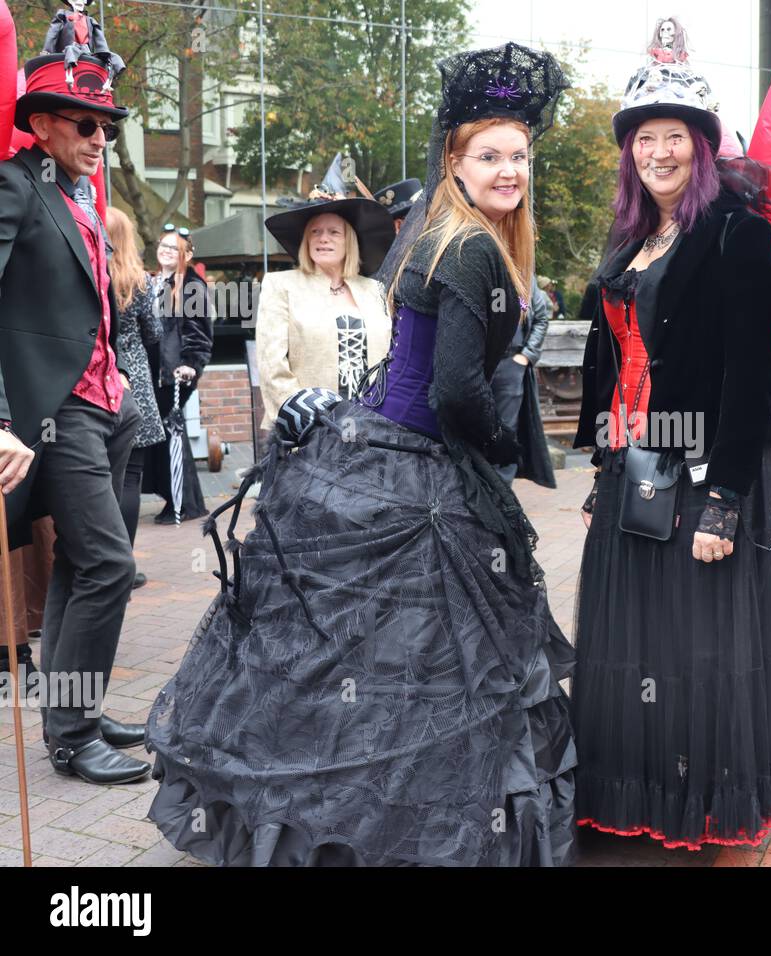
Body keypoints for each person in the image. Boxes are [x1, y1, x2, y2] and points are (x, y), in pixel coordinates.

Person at [145, 42, 576, 867]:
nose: (509, 170)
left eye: (519, 155)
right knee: (416, 659)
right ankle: (395, 831)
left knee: (360, 656)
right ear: (455, 162)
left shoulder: (440, 236)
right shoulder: (472, 248)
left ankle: (321, 824)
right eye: (489, 155)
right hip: (419, 467)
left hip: (378, 452)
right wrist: (498, 444)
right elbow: (455, 391)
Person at [570, 42, 771, 849]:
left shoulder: (738, 235)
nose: (659, 152)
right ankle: (634, 798)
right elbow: (610, 362)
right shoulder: (632, 236)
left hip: (702, 474)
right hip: (631, 466)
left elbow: (752, 376)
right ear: (629, 152)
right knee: (632, 640)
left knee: (695, 646)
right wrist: (602, 461)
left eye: (675, 137)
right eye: (645, 138)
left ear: (702, 147)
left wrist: (726, 501)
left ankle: (698, 803)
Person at [0, 53, 149, 785]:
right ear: (40, 124)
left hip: (107, 404)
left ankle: (73, 711)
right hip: (56, 410)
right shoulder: (14, 184)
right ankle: (73, 736)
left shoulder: (81, 194)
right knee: (111, 566)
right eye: (85, 125)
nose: (100, 139)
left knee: (80, 565)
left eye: (108, 129)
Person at [256, 197, 394, 430]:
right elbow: (272, 365)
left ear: (349, 241)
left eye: (334, 232)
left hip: (373, 424)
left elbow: (392, 357)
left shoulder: (375, 289)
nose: (323, 238)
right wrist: (305, 419)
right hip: (309, 428)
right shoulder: (280, 285)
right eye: (315, 232)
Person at [105, 207, 165, 587]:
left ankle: (105, 565)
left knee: (103, 478)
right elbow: (154, 333)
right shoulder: (139, 282)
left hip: (100, 376)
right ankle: (123, 568)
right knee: (130, 477)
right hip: (136, 381)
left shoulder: (91, 271)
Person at [141, 224, 211, 523]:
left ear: (187, 255)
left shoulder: (191, 284)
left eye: (174, 247)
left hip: (175, 374)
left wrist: (191, 364)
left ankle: (185, 504)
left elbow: (199, 331)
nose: (167, 251)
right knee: (161, 435)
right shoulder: (154, 281)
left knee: (172, 434)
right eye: (164, 245)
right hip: (152, 374)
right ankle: (175, 499)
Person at [489, 274, 556, 486]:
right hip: (479, 363)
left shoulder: (524, 277)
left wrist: (526, 356)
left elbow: (540, 318)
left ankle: (501, 491)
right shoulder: (483, 269)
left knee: (507, 430)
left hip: (511, 363)